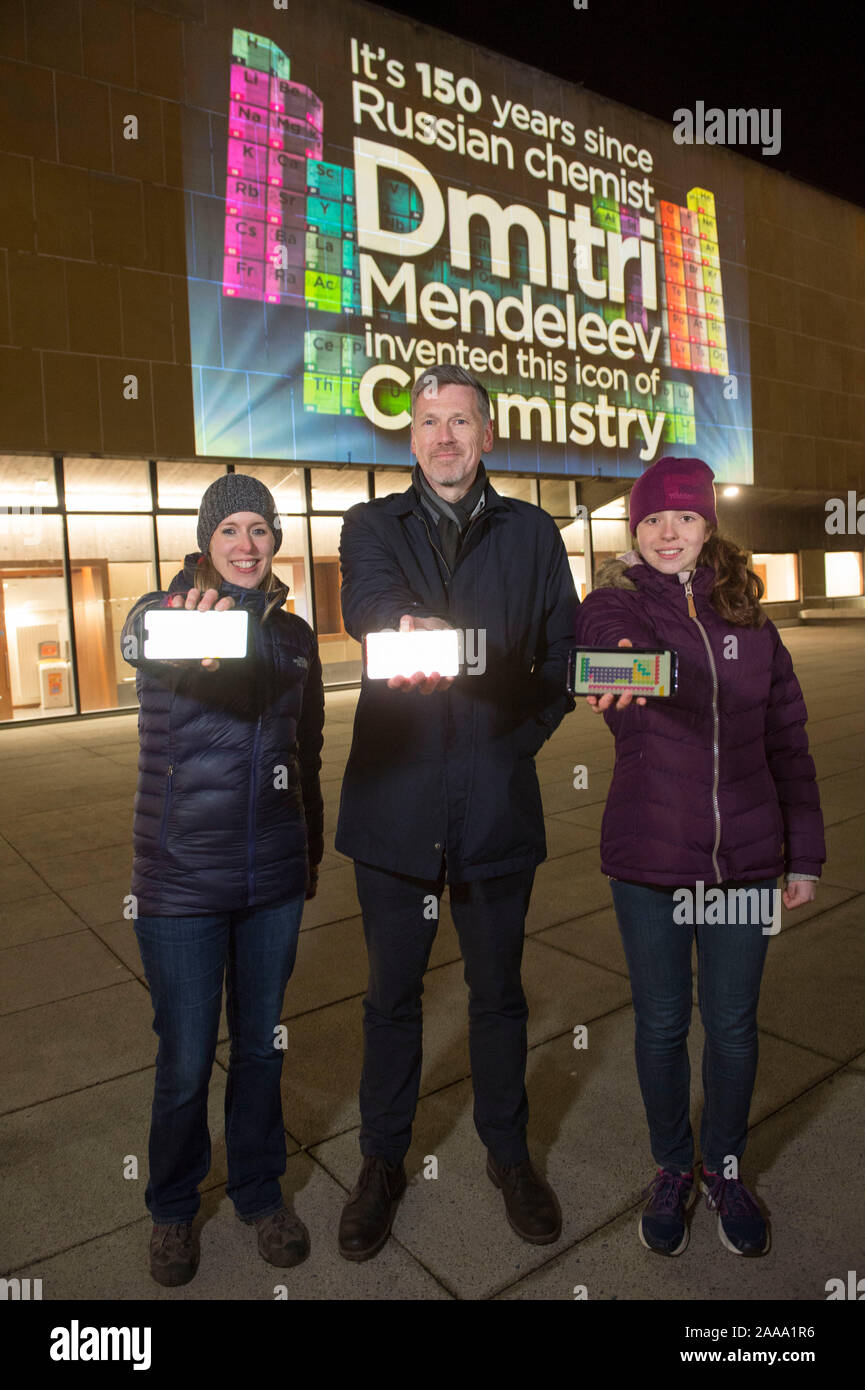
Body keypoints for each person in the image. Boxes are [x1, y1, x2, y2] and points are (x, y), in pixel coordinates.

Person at [333, 363, 578, 1260]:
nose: (443, 437)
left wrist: (513, 746)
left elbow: (562, 657)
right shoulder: (370, 524)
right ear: (411, 439)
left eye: (459, 422)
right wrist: (402, 627)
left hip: (493, 806)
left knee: (497, 996)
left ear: (485, 433)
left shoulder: (532, 533)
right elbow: (365, 603)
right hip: (395, 803)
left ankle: (509, 1155)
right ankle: (382, 1162)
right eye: (428, 422)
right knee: (391, 999)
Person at [575, 455, 825, 1258]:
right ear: (634, 533)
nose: (668, 532)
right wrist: (617, 655)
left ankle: (721, 1168)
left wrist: (804, 855)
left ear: (708, 526)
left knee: (731, 1026)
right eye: (651, 520)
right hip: (650, 859)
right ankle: (671, 1167)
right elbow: (600, 642)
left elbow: (789, 742)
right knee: (657, 1025)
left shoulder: (752, 623)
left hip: (746, 862)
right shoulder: (615, 603)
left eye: (683, 517)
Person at [121, 474, 324, 1287]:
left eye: (260, 530)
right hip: (178, 879)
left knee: (263, 1048)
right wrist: (177, 628)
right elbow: (139, 636)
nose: (246, 544)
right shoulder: (171, 612)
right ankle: (172, 1210)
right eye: (230, 530)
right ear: (206, 542)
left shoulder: (298, 635)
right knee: (185, 1057)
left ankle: (258, 1191)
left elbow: (305, 754)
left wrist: (306, 852)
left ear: (275, 540)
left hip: (271, 873)